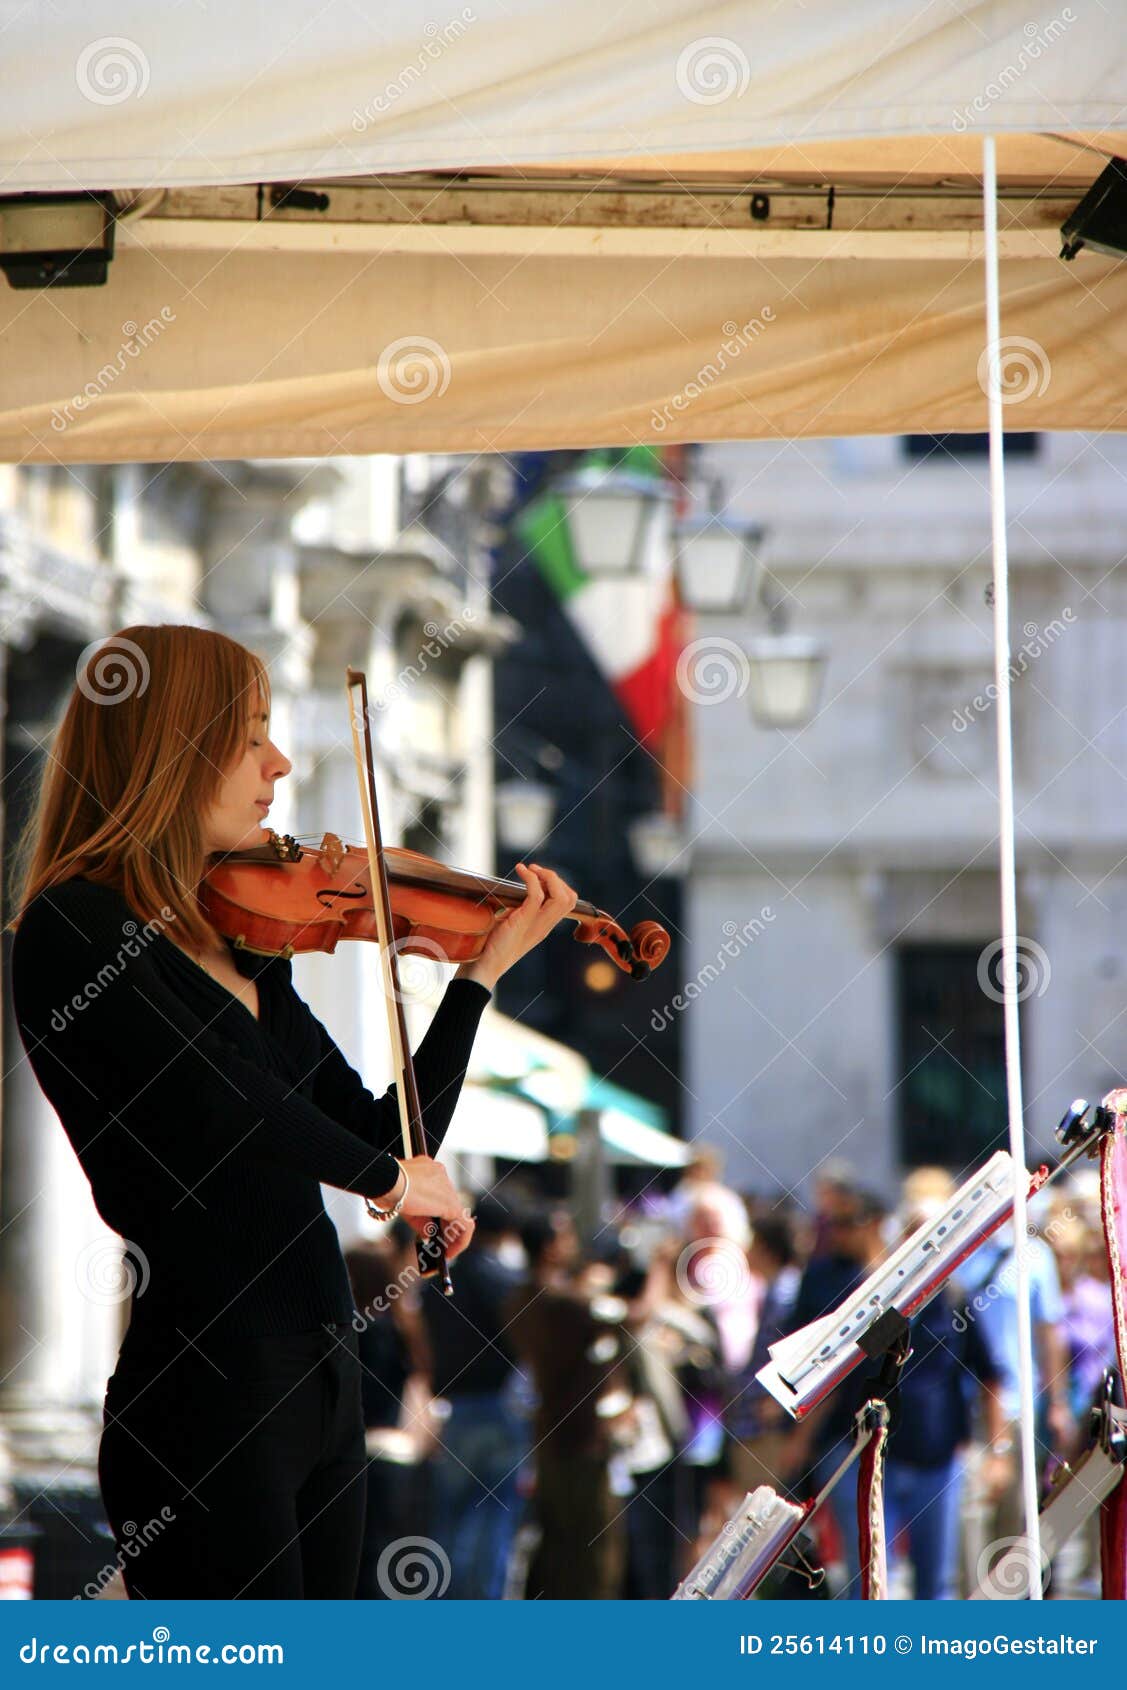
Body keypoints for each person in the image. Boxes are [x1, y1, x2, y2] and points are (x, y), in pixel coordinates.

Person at [8, 623, 577, 1600]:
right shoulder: (74, 927)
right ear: (169, 747)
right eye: (250, 736)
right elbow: (227, 1099)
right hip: (207, 1384)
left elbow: (373, 1129)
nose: (279, 763)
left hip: (321, 1371)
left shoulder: (246, 948)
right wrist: (398, 1181)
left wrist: (477, 978)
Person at [420, 1192, 529, 1599]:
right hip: (498, 1407)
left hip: (456, 1409)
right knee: (494, 1519)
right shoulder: (503, 1280)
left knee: (451, 1517)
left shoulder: (439, 1281)